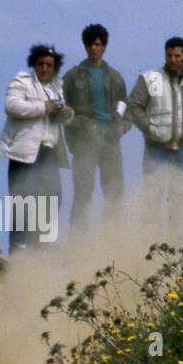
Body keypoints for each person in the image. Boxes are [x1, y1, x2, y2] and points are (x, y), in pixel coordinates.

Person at [127, 36, 183, 235]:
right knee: (152, 197)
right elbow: (134, 105)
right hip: (156, 148)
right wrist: (149, 128)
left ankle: (177, 248)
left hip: (181, 149)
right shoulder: (150, 78)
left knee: (179, 198)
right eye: (169, 55)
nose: (172, 59)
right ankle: (150, 244)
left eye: (177, 56)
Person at [0, 44, 73, 252]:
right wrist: (43, 107)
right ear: (34, 64)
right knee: (22, 197)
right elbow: (12, 106)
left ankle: (40, 243)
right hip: (24, 150)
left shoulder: (58, 86)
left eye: (49, 64)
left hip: (49, 149)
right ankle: (18, 247)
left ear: (55, 66)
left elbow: (59, 117)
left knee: (53, 196)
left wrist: (67, 114)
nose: (45, 68)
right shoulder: (21, 81)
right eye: (40, 64)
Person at [61, 24, 128, 234]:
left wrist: (123, 127)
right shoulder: (72, 77)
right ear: (85, 46)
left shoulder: (115, 77)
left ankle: (109, 242)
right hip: (84, 142)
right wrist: (76, 132)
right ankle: (78, 245)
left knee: (114, 193)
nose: (93, 48)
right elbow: (63, 111)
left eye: (97, 44)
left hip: (110, 141)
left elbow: (125, 107)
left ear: (105, 46)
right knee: (83, 194)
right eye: (89, 44)